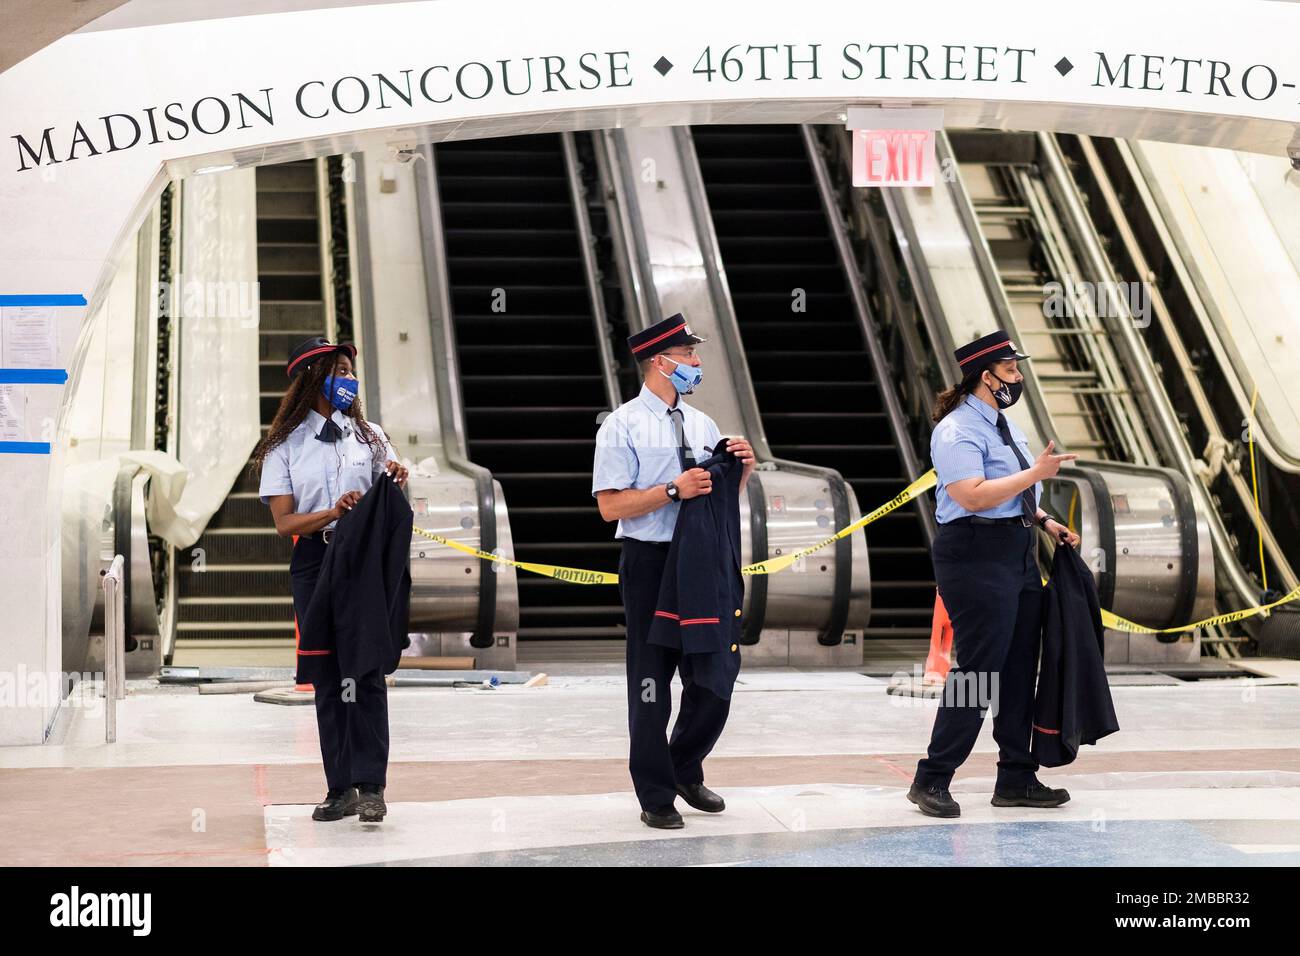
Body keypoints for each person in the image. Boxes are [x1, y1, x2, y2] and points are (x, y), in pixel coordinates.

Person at [907, 330, 1081, 819]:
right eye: (1010, 370)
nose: (1018, 377)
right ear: (985, 377)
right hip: (975, 553)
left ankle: (1017, 777)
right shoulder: (957, 430)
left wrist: (1045, 522)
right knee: (978, 672)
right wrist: (1036, 475)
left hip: (1018, 548)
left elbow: (1011, 495)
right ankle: (932, 778)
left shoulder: (1006, 425)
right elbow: (973, 495)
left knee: (1020, 667)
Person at [592, 313, 755, 829]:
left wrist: (742, 472)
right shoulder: (621, 425)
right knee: (651, 680)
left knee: (715, 674)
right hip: (651, 562)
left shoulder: (704, 424)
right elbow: (611, 507)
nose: (696, 363)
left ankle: (684, 765)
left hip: (701, 561)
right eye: (688, 355)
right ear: (660, 362)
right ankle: (655, 792)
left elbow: (716, 497)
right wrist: (670, 490)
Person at [252, 336, 409, 824]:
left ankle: (372, 787)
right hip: (315, 564)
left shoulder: (371, 435)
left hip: (363, 562)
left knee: (366, 671)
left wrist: (398, 478)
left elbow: (391, 491)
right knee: (327, 676)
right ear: (311, 380)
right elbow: (284, 522)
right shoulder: (283, 446)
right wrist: (330, 512)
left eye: (349, 371)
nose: (348, 380)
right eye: (338, 371)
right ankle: (339, 787)